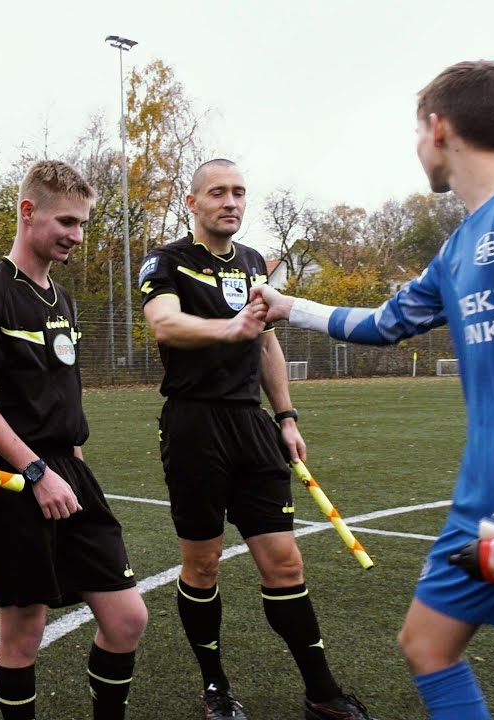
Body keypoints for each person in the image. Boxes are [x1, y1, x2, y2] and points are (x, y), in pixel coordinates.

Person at [250, 60, 494, 720]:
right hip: (482, 501)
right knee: (426, 644)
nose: (416, 146)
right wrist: (291, 306)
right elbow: (382, 323)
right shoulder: (457, 248)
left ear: (438, 127)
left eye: (415, 131)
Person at [138, 159, 375, 720]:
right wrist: (230, 328)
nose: (231, 202)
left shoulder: (251, 264)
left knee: (285, 563)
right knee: (203, 566)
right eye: (217, 192)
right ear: (192, 201)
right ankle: (216, 688)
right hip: (195, 425)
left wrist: (287, 417)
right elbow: (164, 324)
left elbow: (265, 344)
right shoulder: (166, 261)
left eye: (239, 193)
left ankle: (322, 692)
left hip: (252, 426)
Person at [0, 160, 149, 720]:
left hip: (70, 472)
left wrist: (73, 466)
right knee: (24, 629)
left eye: (83, 223)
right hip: (15, 478)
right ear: (27, 211)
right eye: (67, 221)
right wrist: (36, 472)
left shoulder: (61, 301)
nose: (77, 236)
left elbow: (64, 392)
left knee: (127, 618)